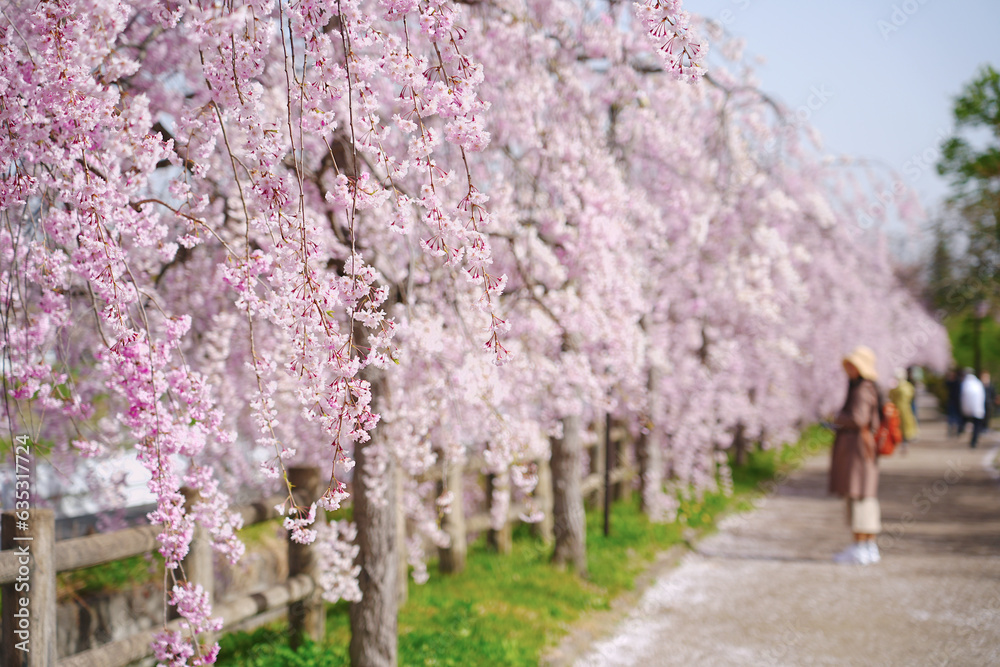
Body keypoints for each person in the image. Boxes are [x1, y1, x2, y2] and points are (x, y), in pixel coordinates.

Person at [828, 346, 882, 565]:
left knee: (858, 493)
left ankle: (861, 546)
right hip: (860, 448)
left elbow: (859, 419)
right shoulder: (866, 388)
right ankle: (866, 546)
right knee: (863, 494)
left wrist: (838, 418)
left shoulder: (861, 389)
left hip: (856, 449)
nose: (848, 369)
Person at [889, 368, 918, 452]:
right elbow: (891, 396)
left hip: (904, 408)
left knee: (905, 425)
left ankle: (905, 442)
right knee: (897, 426)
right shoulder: (896, 386)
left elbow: (911, 395)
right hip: (897, 409)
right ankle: (898, 441)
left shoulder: (906, 386)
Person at [961, 368, 986, 448]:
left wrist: (964, 409)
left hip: (969, 409)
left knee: (970, 424)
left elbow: (963, 397)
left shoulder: (965, 384)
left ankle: (972, 440)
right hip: (978, 409)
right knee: (976, 425)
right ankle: (974, 440)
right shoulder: (978, 383)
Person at [945, 368, 963, 437]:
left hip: (957, 402)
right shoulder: (952, 382)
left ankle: (958, 430)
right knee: (951, 417)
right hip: (952, 402)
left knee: (957, 417)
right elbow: (946, 384)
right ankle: (951, 430)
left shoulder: (958, 382)